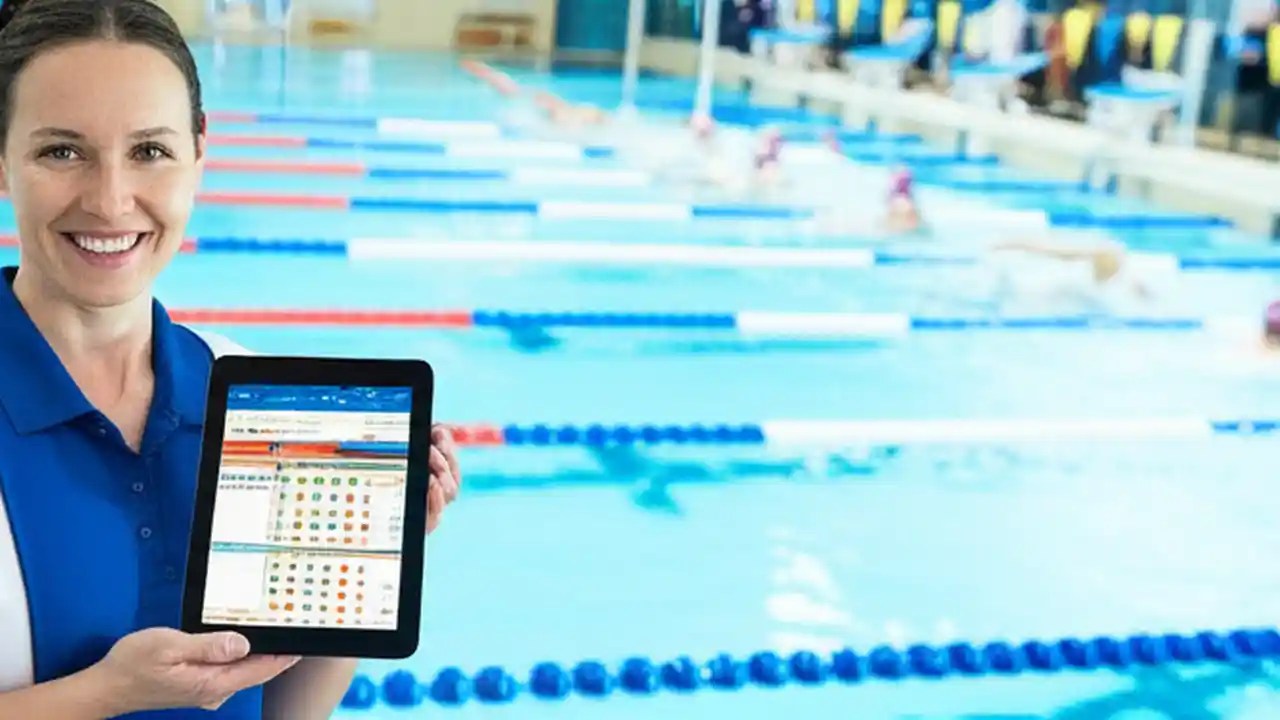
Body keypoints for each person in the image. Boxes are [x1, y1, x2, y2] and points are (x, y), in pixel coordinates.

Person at [0, 1, 462, 718]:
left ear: (199, 157)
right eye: (62, 151)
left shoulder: (244, 392)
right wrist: (108, 694)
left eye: (149, 150)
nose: (111, 199)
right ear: (2, 162)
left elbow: (283, 712)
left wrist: (367, 569)